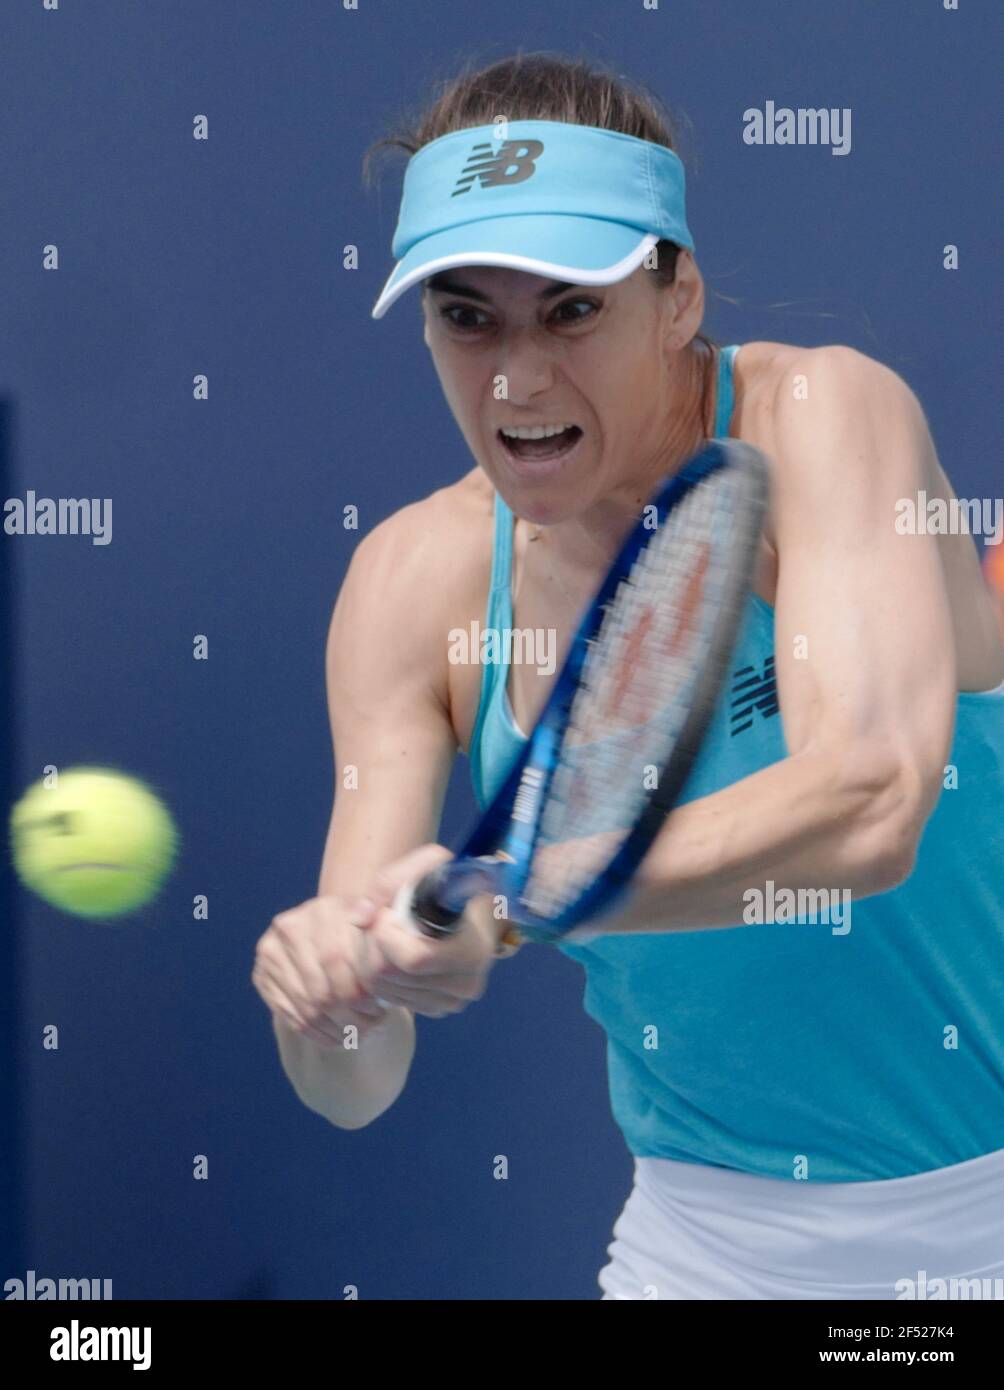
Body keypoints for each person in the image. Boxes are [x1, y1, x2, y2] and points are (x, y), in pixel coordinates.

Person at [252, 54, 1004, 1299]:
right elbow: (357, 1082)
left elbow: (869, 805)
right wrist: (332, 992)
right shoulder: (410, 583)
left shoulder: (824, 411)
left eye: (571, 308)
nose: (516, 376)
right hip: (706, 1251)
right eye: (466, 313)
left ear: (677, 296)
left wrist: (512, 895)